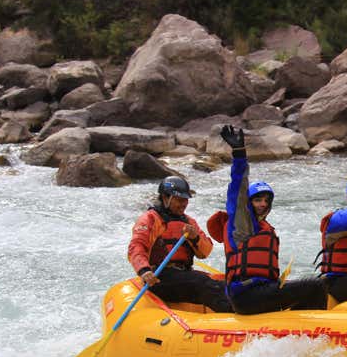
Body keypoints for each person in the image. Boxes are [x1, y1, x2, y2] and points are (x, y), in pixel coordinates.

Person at [214, 124, 327, 314]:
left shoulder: (265, 227)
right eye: (257, 200)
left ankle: (291, 328)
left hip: (261, 292)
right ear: (249, 203)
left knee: (315, 284)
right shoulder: (242, 223)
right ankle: (311, 334)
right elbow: (238, 188)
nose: (263, 204)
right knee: (315, 287)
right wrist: (239, 154)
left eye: (266, 200)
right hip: (246, 295)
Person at [128, 176, 231, 312]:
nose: (183, 204)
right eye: (179, 200)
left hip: (183, 275)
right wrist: (144, 270)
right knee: (201, 283)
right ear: (165, 198)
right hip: (159, 278)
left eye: (185, 200)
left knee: (223, 284)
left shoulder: (189, 222)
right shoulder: (150, 219)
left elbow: (205, 252)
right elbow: (136, 246)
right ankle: (237, 314)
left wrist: (195, 238)